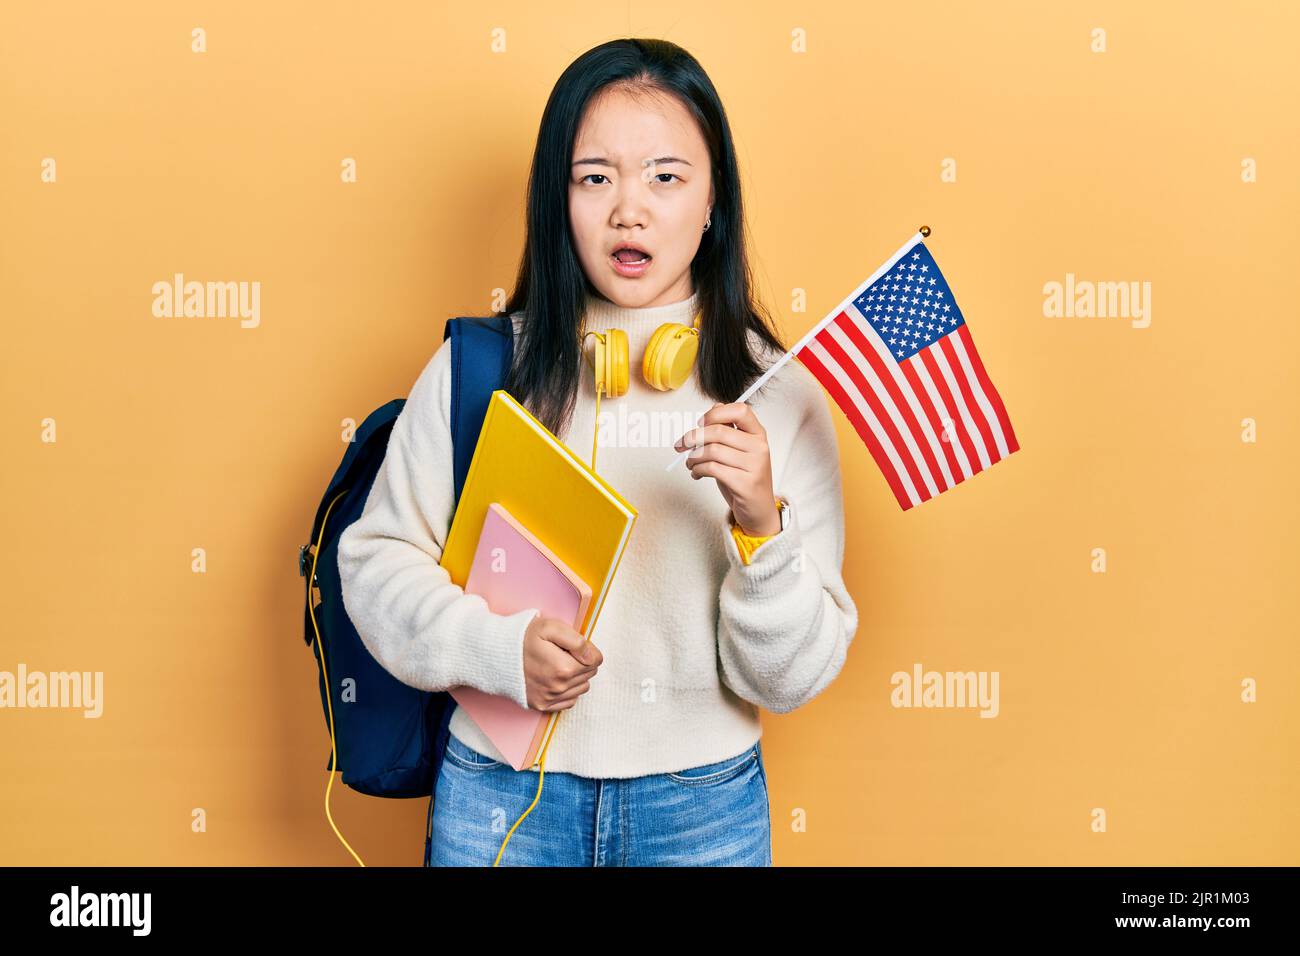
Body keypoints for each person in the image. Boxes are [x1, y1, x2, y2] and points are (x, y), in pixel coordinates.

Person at [337, 37, 859, 867]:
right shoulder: (483, 368)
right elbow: (373, 565)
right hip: (500, 791)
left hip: (703, 809)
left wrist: (762, 525)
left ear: (713, 199)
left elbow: (788, 680)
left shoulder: (777, 393)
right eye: (595, 177)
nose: (630, 210)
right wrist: (498, 652)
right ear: (559, 199)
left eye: (665, 176)